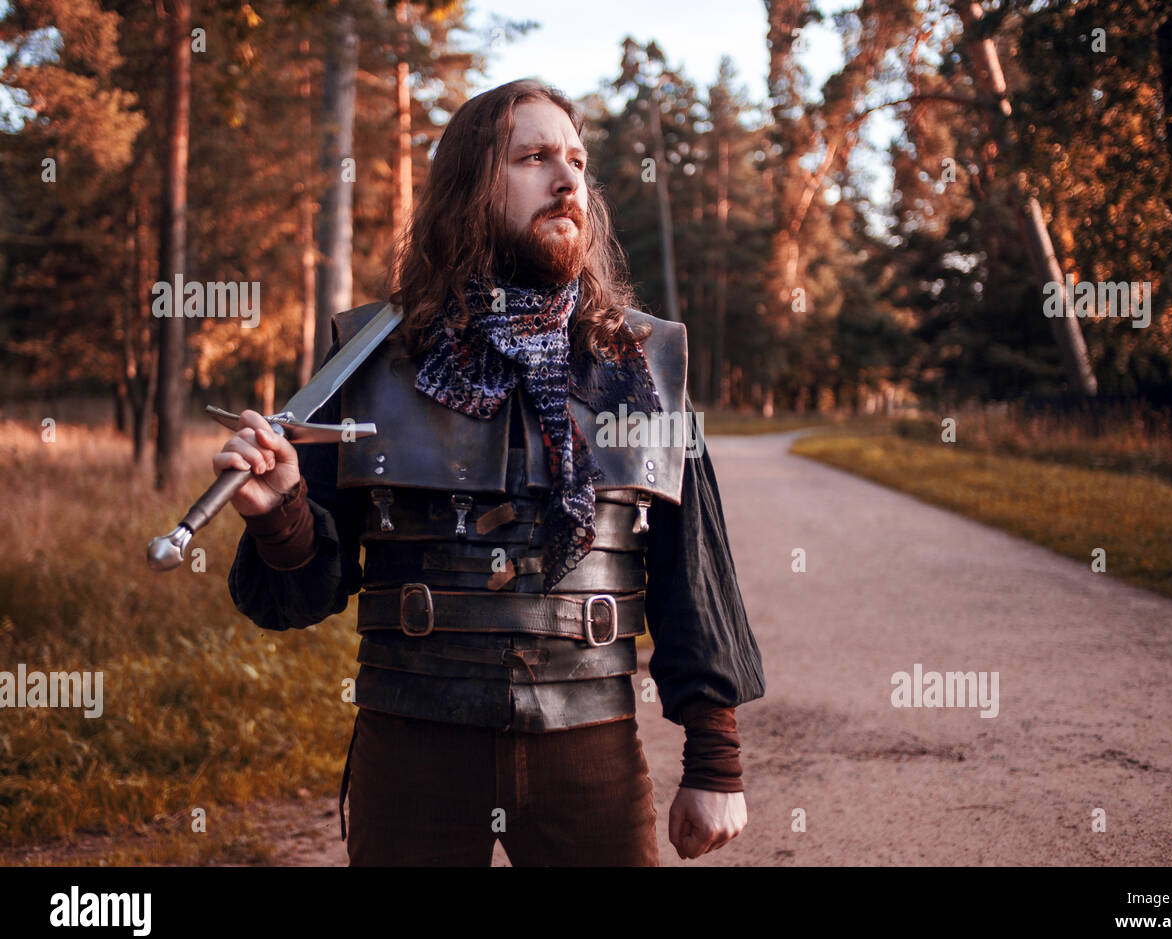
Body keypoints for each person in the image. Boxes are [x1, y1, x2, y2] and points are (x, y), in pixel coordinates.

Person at [217, 78, 765, 866]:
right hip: (412, 749)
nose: (567, 178)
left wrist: (716, 761)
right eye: (534, 157)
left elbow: (693, 576)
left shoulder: (640, 364)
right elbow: (296, 598)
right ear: (471, 186)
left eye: (576, 160)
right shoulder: (372, 358)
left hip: (589, 749)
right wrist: (282, 516)